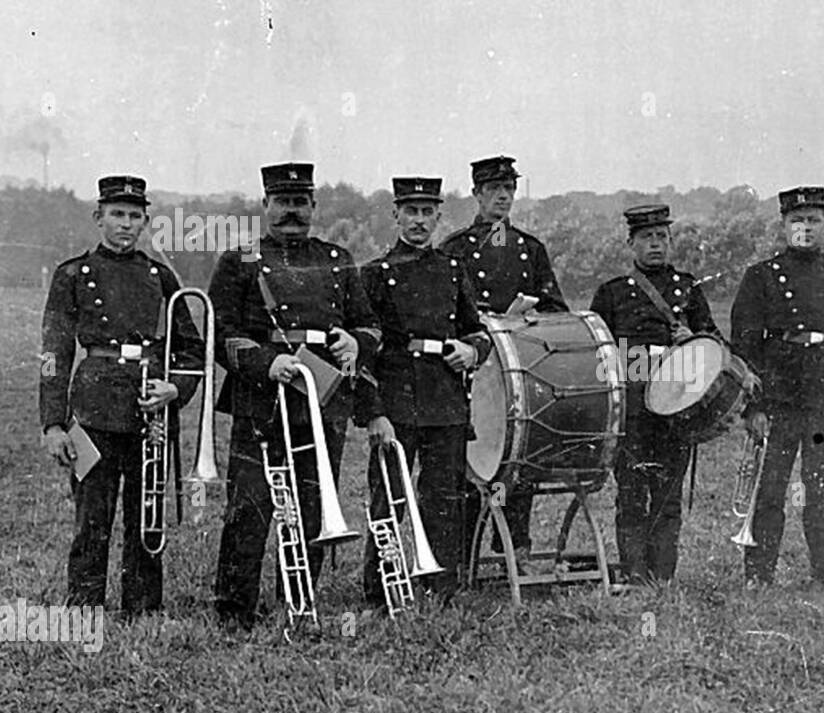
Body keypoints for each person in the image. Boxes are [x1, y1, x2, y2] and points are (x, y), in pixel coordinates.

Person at [208, 162, 381, 629]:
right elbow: (219, 329)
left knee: (312, 505)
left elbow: (368, 324)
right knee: (249, 505)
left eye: (300, 202)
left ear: (313, 207)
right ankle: (234, 609)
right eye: (282, 202)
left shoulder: (338, 258)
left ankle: (298, 602)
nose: (291, 212)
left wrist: (356, 343)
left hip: (323, 398)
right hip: (262, 397)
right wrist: (267, 363)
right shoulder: (239, 259)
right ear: (265, 205)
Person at [39, 175, 203, 617]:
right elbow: (54, 352)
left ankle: (143, 609)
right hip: (92, 410)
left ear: (145, 221)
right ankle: (83, 608)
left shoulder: (161, 275)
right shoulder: (73, 274)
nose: (126, 225)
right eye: (117, 215)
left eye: (134, 216)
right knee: (91, 519)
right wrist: (54, 423)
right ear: (98, 218)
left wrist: (175, 388)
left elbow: (191, 346)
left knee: (145, 515)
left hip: (149, 408)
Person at [357, 177, 491, 608]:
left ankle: (441, 587)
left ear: (439, 217)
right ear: (395, 214)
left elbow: (478, 332)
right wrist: (374, 412)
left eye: (427, 212)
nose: (418, 221)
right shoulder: (374, 274)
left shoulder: (453, 270)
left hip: (446, 401)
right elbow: (363, 351)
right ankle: (381, 590)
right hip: (397, 401)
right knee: (389, 497)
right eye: (410, 212)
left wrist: (471, 352)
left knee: (444, 498)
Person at [730, 186, 824, 589]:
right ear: (783, 225)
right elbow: (745, 345)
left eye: (813, 220)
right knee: (770, 488)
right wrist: (753, 407)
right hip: (778, 397)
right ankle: (759, 573)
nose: (805, 228)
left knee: (823, 488)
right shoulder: (761, 277)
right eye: (797, 220)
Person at [440, 155, 567, 558]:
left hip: (520, 367)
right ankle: (461, 556)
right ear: (477, 194)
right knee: (469, 460)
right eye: (494, 189)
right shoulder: (455, 248)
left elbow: (555, 311)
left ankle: (517, 547)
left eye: (509, 189)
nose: (503, 196)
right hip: (470, 367)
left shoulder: (531, 248)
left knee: (520, 454)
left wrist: (529, 318)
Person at [589, 204, 718, 584]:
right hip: (632, 409)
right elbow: (598, 352)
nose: (656, 244)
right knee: (631, 494)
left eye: (662, 236)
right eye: (647, 237)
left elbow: (713, 343)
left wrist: (692, 339)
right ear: (631, 243)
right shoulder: (612, 293)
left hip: (678, 407)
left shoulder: (689, 288)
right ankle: (633, 573)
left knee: (667, 496)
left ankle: (663, 575)